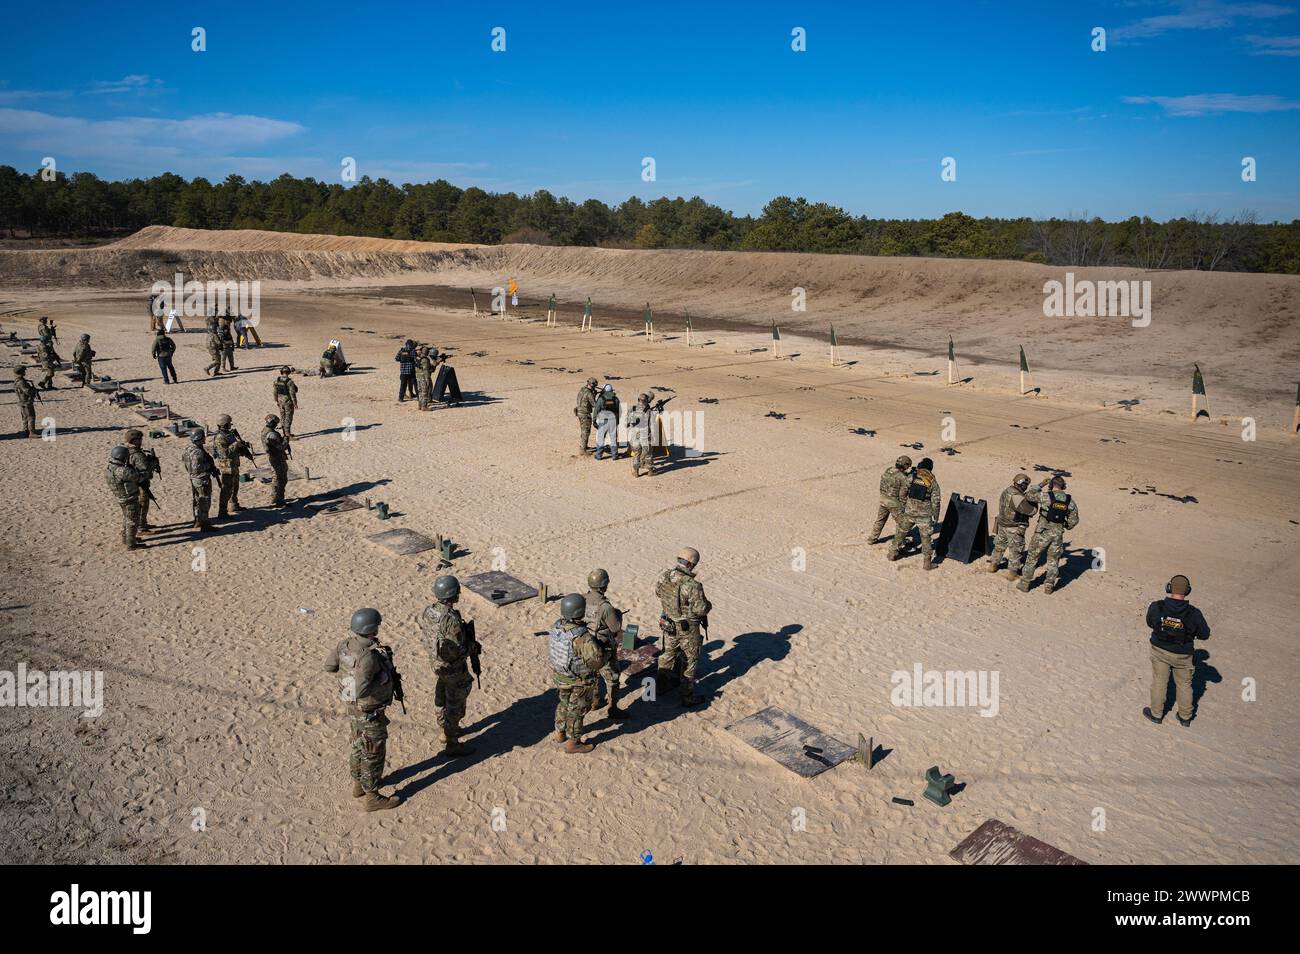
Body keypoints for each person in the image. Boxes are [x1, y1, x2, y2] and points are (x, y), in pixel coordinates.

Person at [324, 608, 402, 811]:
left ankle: (358, 785)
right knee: (373, 751)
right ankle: (372, 797)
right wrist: (382, 681)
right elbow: (362, 689)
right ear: (372, 629)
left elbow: (330, 666)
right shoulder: (369, 656)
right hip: (369, 710)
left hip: (353, 709)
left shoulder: (344, 645)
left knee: (359, 745)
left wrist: (348, 675)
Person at [418, 576, 481, 757]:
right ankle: (452, 742)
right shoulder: (451, 619)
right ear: (452, 595)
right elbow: (455, 651)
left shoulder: (429, 611)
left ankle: (443, 731)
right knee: (456, 703)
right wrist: (472, 648)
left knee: (441, 695)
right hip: (452, 667)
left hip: (437, 665)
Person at [1143, 575, 1211, 727]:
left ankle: (1156, 714)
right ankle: (1185, 717)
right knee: (1184, 685)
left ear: (1169, 588)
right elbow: (1204, 634)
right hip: (1183, 655)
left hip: (1159, 650)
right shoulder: (1194, 613)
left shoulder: (1157, 607)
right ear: (1187, 591)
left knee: (1159, 682)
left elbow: (1150, 622)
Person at [548, 593, 607, 753]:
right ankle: (574, 743)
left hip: (561, 676)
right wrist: (603, 651)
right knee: (577, 710)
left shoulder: (556, 627)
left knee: (563, 703)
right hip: (578, 680)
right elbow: (596, 662)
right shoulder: (582, 637)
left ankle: (559, 733)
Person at [654, 547, 712, 706]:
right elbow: (701, 609)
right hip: (688, 629)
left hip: (668, 624)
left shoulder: (664, 576)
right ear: (692, 564)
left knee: (667, 654)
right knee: (690, 660)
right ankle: (687, 696)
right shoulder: (693, 585)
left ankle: (660, 686)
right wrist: (708, 605)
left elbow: (658, 593)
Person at [1017, 475, 1079, 594]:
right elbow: (1074, 520)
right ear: (1063, 486)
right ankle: (1049, 586)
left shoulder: (1046, 496)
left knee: (1032, 558)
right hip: (1057, 535)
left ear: (1051, 485)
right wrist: (1065, 526)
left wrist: (1040, 485)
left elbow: (1029, 495)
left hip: (1042, 532)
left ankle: (1024, 584)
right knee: (1053, 561)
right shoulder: (1069, 501)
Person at [585, 568, 630, 720]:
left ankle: (595, 701)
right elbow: (615, 628)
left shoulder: (582, 599)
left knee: (593, 674)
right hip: (603, 646)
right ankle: (613, 708)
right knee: (613, 677)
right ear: (604, 586)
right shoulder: (605, 607)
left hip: (586, 645)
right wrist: (617, 615)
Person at [889, 457, 941, 570]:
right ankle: (927, 563)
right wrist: (936, 516)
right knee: (926, 538)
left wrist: (904, 504)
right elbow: (936, 500)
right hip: (925, 514)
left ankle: (892, 553)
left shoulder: (912, 476)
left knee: (901, 532)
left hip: (910, 511)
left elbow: (903, 491)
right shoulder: (932, 480)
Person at [987, 473, 1037, 576]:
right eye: (1025, 485)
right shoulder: (1017, 497)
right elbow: (1031, 511)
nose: (1026, 487)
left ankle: (993, 565)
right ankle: (1012, 574)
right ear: (1021, 484)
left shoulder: (1007, 491)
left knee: (999, 546)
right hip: (1014, 527)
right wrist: (1034, 502)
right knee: (1016, 550)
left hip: (1002, 524)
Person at [105, 445, 146, 550]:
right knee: (132, 520)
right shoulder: (122, 470)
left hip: (121, 497)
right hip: (129, 498)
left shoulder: (110, 467)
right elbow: (138, 477)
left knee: (127, 518)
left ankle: (127, 538)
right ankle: (131, 544)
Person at [124, 429, 162, 534]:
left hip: (132, 483)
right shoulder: (137, 455)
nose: (141, 441)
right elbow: (145, 468)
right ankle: (141, 527)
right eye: (139, 439)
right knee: (143, 504)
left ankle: (143, 523)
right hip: (140, 483)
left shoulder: (126, 450)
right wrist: (153, 462)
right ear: (134, 440)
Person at [211, 414, 249, 517]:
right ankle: (222, 512)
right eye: (229, 423)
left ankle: (233, 504)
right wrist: (236, 444)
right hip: (227, 466)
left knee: (235, 486)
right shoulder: (220, 437)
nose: (230, 425)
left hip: (234, 464)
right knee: (226, 489)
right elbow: (225, 453)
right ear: (224, 424)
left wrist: (242, 448)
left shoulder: (229, 434)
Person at [869, 455, 911, 543]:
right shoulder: (903, 478)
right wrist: (904, 507)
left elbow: (894, 477)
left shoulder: (888, 470)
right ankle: (900, 542)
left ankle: (872, 538)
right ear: (905, 465)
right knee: (902, 524)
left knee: (880, 520)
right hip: (894, 503)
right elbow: (902, 495)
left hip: (883, 499)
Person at [183, 429, 216, 531]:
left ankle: (197, 520)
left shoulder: (189, 449)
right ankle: (204, 524)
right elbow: (197, 467)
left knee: (197, 500)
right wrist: (209, 466)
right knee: (204, 501)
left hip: (194, 479)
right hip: (201, 479)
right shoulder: (198, 452)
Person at [261, 414, 290, 508]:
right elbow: (281, 447)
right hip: (277, 458)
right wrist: (286, 439)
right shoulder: (272, 434)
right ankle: (279, 500)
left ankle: (275, 497)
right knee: (281, 479)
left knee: (276, 478)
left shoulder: (265, 430)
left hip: (272, 457)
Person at [627, 393, 654, 477]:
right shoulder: (648, 411)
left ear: (638, 400)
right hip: (645, 435)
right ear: (646, 401)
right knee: (648, 453)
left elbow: (627, 423)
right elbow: (652, 424)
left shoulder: (632, 409)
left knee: (636, 454)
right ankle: (650, 471)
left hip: (635, 436)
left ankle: (636, 472)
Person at [11, 365, 41, 437]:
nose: (25, 372)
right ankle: (32, 433)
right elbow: (27, 391)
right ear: (21, 372)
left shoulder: (17, 380)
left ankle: (26, 431)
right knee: (31, 417)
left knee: (25, 417)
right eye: (23, 371)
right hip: (26, 401)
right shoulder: (21, 382)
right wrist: (34, 391)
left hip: (22, 401)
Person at [593, 383, 620, 460]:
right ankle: (614, 455)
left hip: (603, 421)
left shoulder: (601, 399)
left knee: (601, 438)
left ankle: (599, 456)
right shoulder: (616, 399)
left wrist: (594, 421)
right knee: (613, 438)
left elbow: (596, 410)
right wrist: (617, 421)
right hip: (613, 421)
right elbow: (619, 411)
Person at [272, 367, 299, 439]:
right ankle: (287, 434)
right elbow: (292, 393)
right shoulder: (289, 382)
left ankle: (284, 433)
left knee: (282, 417)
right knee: (288, 418)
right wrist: (295, 403)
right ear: (289, 372)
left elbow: (275, 391)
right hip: (288, 401)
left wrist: (276, 400)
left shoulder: (277, 380)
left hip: (280, 401)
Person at [574, 377, 598, 453]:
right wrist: (594, 395)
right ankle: (583, 450)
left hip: (579, 412)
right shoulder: (589, 393)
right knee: (586, 431)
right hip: (585, 414)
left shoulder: (582, 389)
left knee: (583, 430)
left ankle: (583, 445)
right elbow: (594, 404)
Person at [414, 346, 434, 411]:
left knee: (420, 392)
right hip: (423, 378)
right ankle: (424, 406)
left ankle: (420, 405)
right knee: (424, 392)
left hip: (418, 377)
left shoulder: (418, 358)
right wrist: (427, 379)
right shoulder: (425, 359)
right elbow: (426, 370)